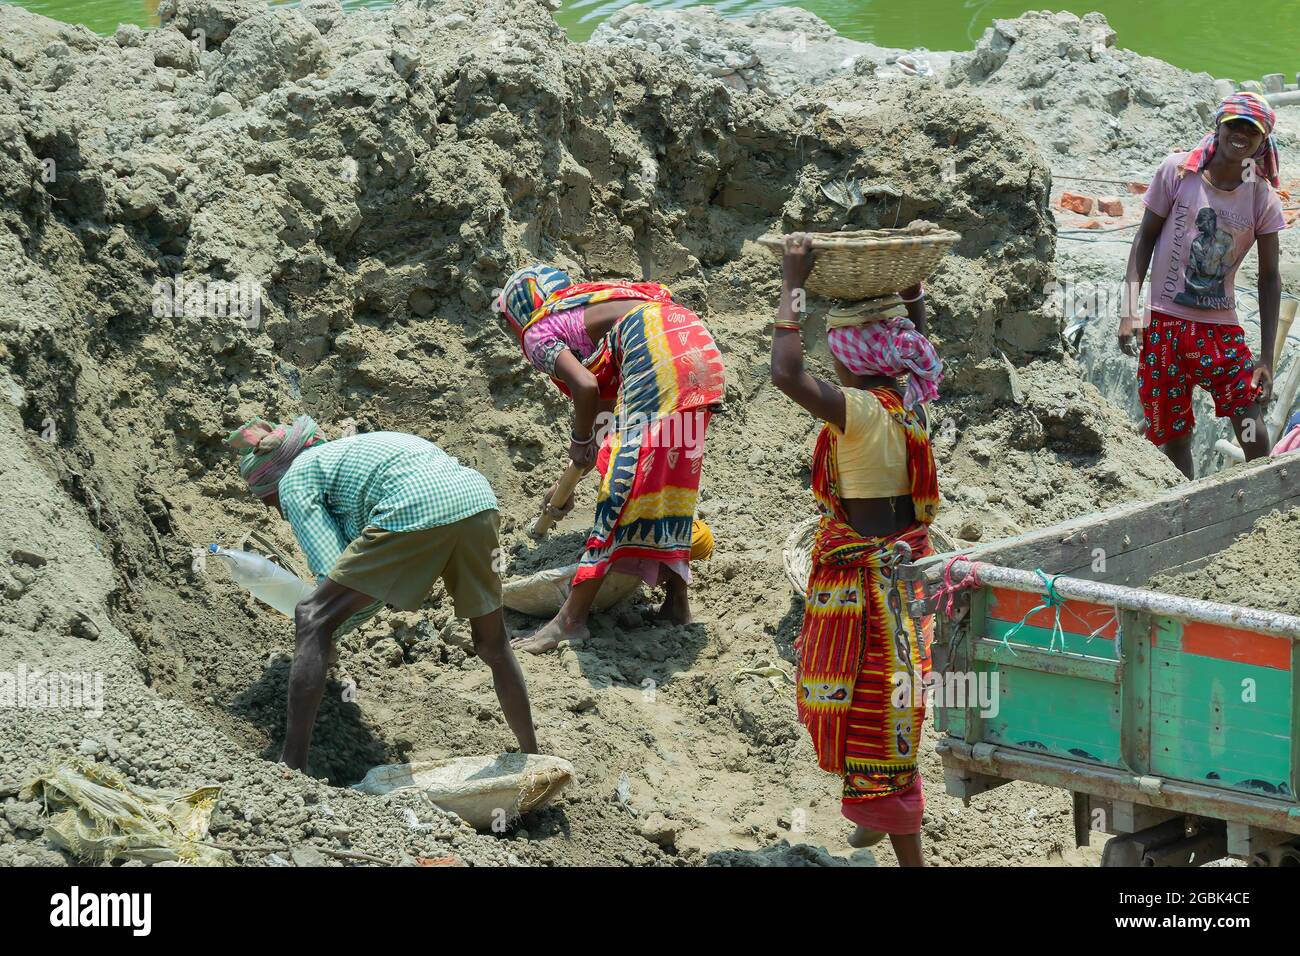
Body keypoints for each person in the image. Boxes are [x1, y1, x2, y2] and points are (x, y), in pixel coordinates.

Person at [226, 416, 538, 770]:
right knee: (492, 644)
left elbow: (332, 576)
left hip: (416, 505)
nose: (280, 514)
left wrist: (322, 640)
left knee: (309, 617)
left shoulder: (295, 479)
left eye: (271, 504)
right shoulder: (346, 458)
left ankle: (290, 766)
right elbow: (362, 578)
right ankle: (532, 753)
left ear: (274, 486)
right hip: (476, 500)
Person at [770, 234, 943, 867]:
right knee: (896, 710)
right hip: (903, 578)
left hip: (868, 592)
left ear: (848, 360)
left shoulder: (863, 412)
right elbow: (915, 353)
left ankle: (910, 860)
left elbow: (785, 373)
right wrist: (913, 300)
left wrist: (792, 283)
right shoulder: (911, 402)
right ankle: (874, 821)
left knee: (873, 718)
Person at [497, 265, 726, 653]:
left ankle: (570, 621)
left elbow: (585, 388)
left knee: (619, 491)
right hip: (692, 349)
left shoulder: (539, 330)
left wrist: (577, 440)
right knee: (668, 482)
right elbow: (607, 427)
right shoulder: (588, 314)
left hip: (653, 353)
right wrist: (568, 477)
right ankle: (676, 604)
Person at [1119, 91, 1285, 478]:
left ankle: (1267, 502)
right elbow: (1143, 241)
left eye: (1252, 130)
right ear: (1218, 126)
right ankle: (1185, 506)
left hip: (1218, 329)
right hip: (1164, 324)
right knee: (1174, 434)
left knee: (1248, 414)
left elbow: (1269, 278)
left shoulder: (1261, 199)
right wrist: (1128, 311)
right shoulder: (1178, 173)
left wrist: (1265, 360)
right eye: (1234, 126)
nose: (1240, 135)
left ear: (1263, 142)